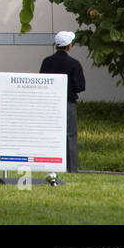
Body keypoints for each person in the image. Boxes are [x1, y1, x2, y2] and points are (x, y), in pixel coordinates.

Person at [40, 30, 86, 172]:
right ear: (69, 46)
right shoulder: (74, 64)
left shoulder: (47, 62)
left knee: (50, 134)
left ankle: (50, 164)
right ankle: (71, 168)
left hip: (49, 104)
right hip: (67, 103)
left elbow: (42, 81)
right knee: (70, 135)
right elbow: (80, 86)